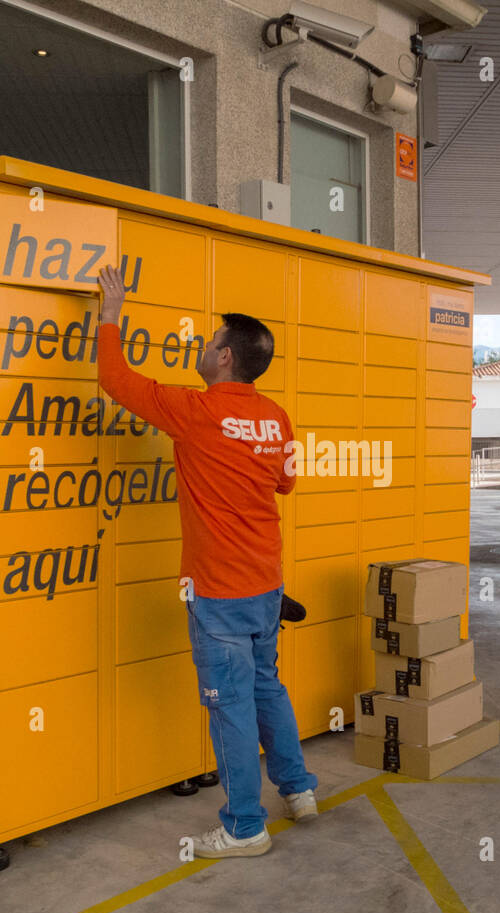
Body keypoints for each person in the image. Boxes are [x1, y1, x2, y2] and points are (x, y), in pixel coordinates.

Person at [95, 265, 318, 858]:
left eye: (207, 341)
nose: (200, 346)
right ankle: (298, 791)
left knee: (232, 710)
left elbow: (116, 380)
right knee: (268, 686)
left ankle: (245, 827)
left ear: (223, 357)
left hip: (219, 591)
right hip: (266, 583)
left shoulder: (196, 412)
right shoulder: (275, 416)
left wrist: (110, 313)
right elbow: (287, 484)